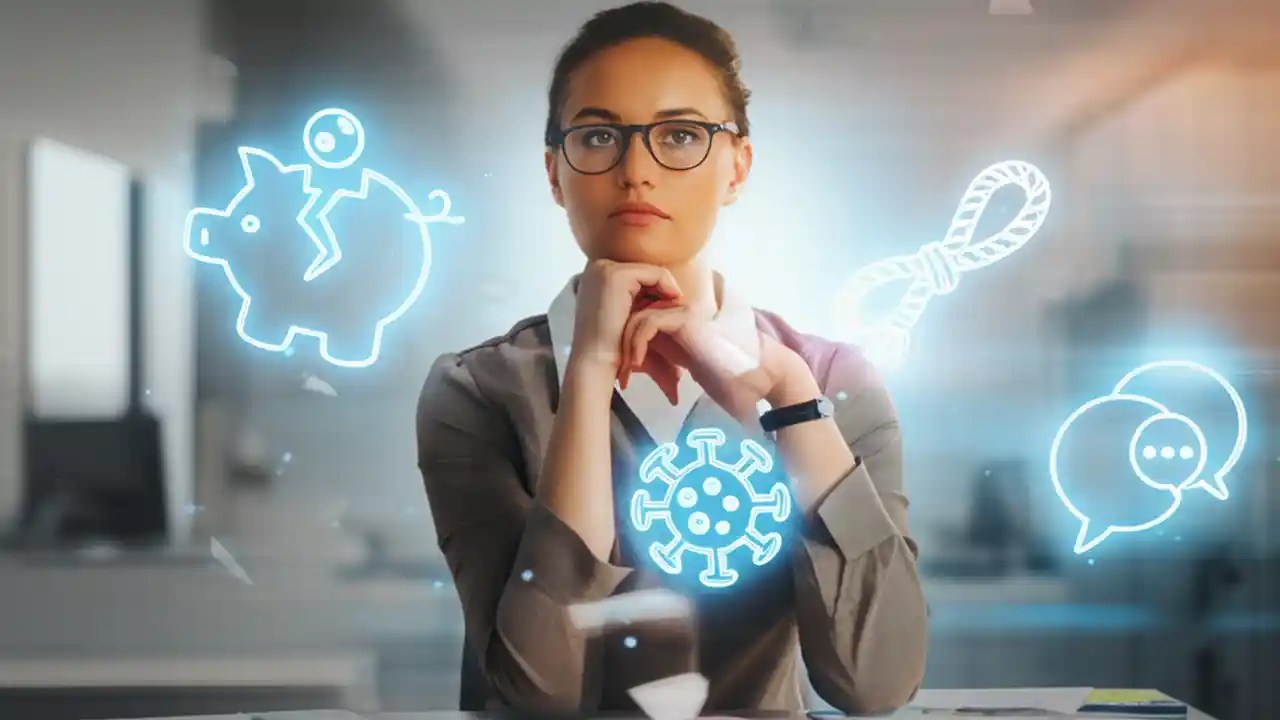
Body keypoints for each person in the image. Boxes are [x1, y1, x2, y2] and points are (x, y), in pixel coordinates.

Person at [416, 1, 927, 713]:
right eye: (598, 136)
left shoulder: (831, 381)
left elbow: (877, 682)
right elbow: (541, 691)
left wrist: (797, 409)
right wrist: (589, 376)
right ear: (554, 172)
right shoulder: (478, 391)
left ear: (737, 166)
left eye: (680, 135)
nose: (636, 171)